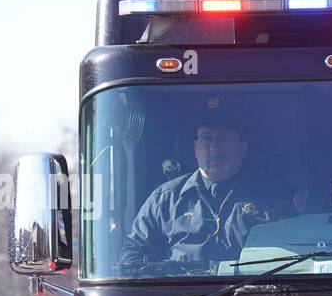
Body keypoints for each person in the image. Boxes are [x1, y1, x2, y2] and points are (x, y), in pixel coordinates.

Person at [120, 102, 298, 269]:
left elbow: (295, 254)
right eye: (207, 140)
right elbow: (132, 257)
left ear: (242, 149)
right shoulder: (165, 198)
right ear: (196, 149)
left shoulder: (272, 197)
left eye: (224, 139)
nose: (214, 148)